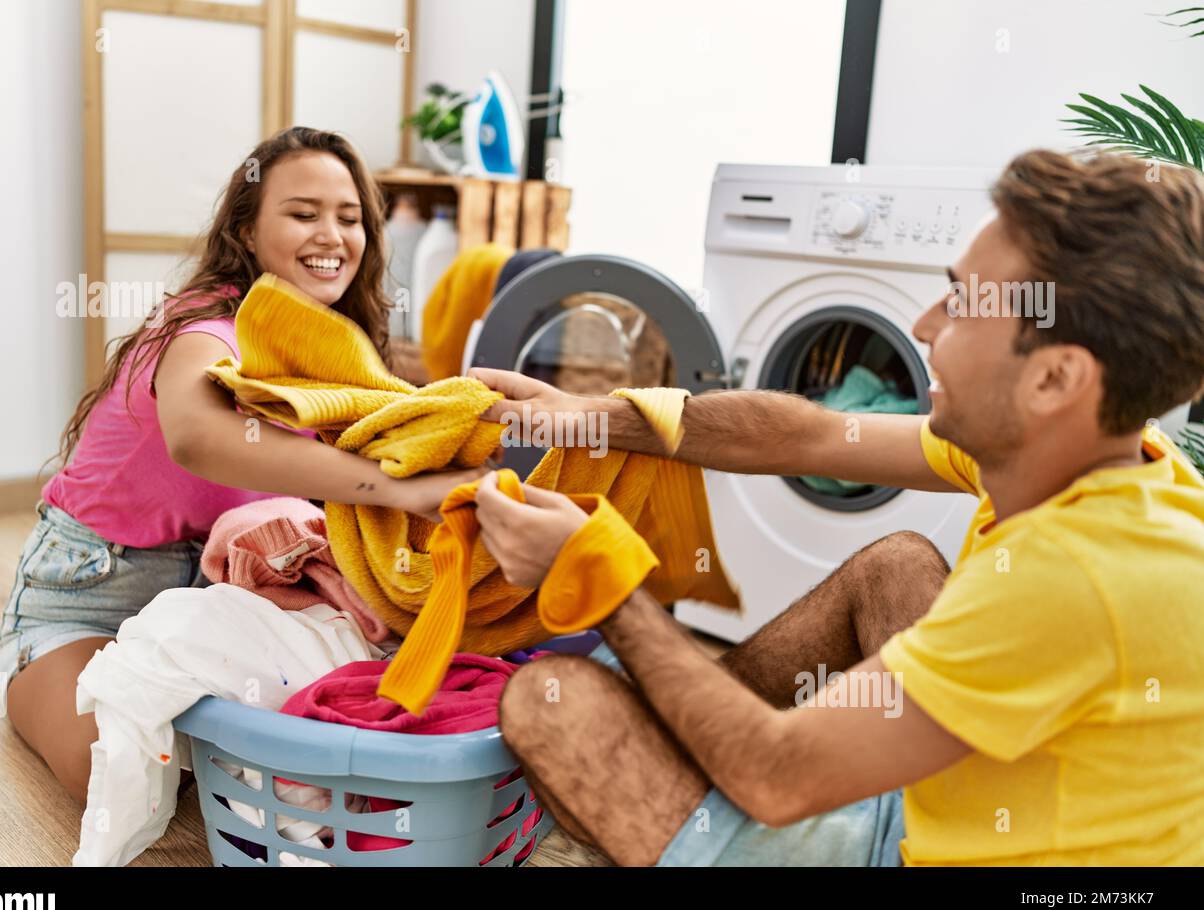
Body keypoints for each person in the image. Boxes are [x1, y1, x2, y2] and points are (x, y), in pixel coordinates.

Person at [469, 148, 1204, 866]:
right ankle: (691, 760)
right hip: (933, 797)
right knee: (897, 566)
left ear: (1054, 379)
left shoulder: (1074, 576)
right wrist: (595, 414)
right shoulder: (1101, 455)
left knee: (550, 702)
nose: (924, 325)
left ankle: (684, 786)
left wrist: (593, 571)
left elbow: (777, 778)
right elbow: (813, 433)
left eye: (964, 304)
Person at [0, 127, 486, 805]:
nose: (332, 236)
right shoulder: (207, 323)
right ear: (248, 232)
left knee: (351, 732)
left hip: (232, 599)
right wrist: (402, 492)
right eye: (303, 213)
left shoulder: (334, 356)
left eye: (350, 219)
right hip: (94, 596)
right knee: (119, 773)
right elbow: (198, 437)